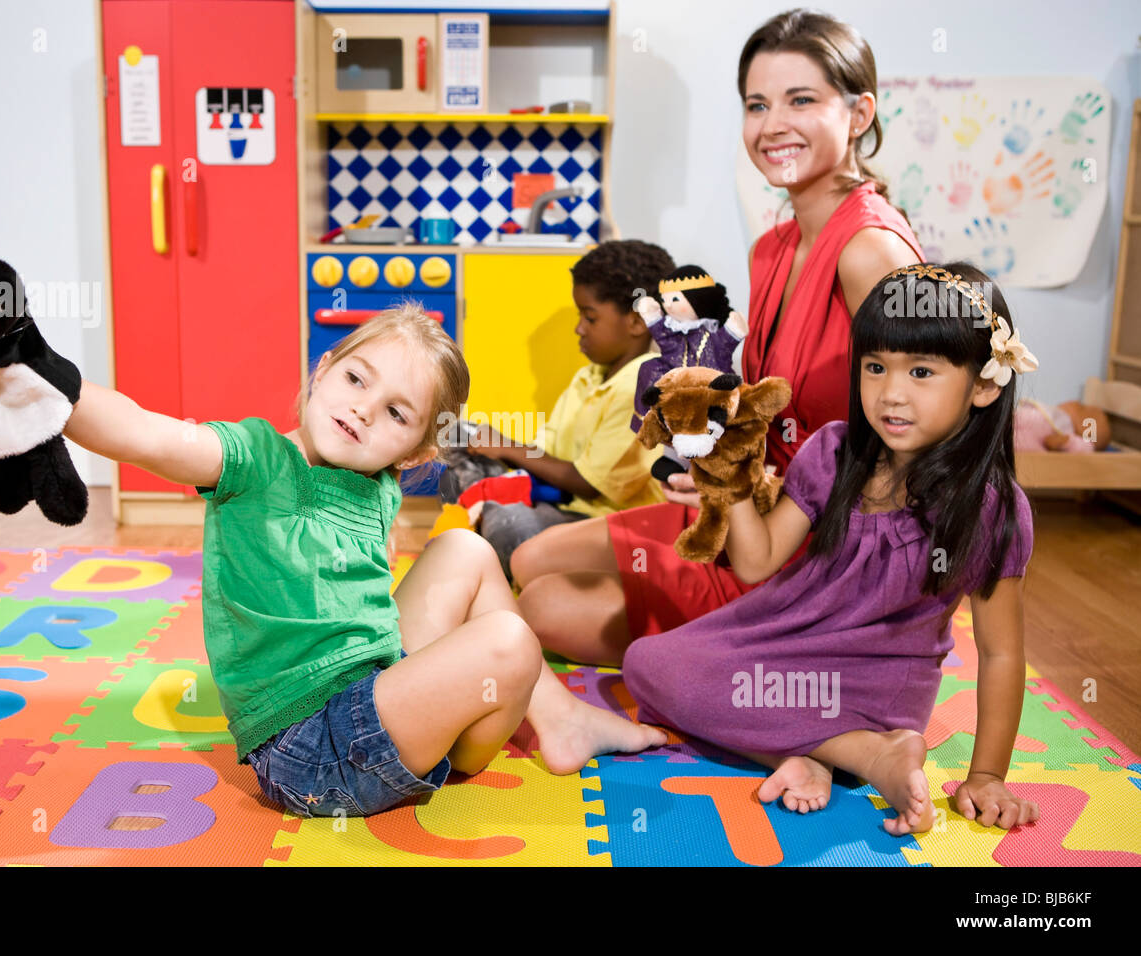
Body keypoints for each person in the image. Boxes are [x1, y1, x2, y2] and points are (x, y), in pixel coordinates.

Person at [61, 304, 666, 817]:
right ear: (322, 370)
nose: (364, 409)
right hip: (312, 753)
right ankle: (473, 731)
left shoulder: (374, 482)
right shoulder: (253, 458)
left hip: (367, 694)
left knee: (467, 549)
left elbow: (358, 616)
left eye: (397, 412)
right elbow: (145, 432)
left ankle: (558, 718)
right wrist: (40, 378)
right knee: (508, 640)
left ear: (416, 451)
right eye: (356, 379)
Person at [513, 8, 926, 665]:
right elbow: (766, 412)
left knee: (544, 605)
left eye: (802, 100)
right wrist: (715, 476)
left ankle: (794, 658)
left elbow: (923, 436)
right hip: (746, 507)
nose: (773, 125)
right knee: (532, 557)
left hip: (816, 549)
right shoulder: (774, 247)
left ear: (859, 113)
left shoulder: (872, 250)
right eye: (757, 104)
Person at [623, 263, 1041, 834]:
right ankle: (837, 755)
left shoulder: (991, 507)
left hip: (880, 689)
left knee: (675, 681)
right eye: (875, 368)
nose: (891, 393)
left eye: (921, 371)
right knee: (647, 665)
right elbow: (756, 562)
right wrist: (727, 471)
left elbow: (999, 654)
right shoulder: (835, 452)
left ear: (986, 384)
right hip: (781, 647)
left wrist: (988, 775)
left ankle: (858, 749)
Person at [439, 240, 675, 578]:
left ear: (637, 322)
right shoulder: (589, 376)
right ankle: (483, 534)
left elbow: (587, 483)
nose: (579, 328)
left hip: (605, 525)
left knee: (513, 526)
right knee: (458, 440)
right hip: (558, 502)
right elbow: (546, 453)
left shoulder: (644, 387)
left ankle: (491, 544)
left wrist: (507, 447)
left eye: (589, 317)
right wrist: (494, 446)